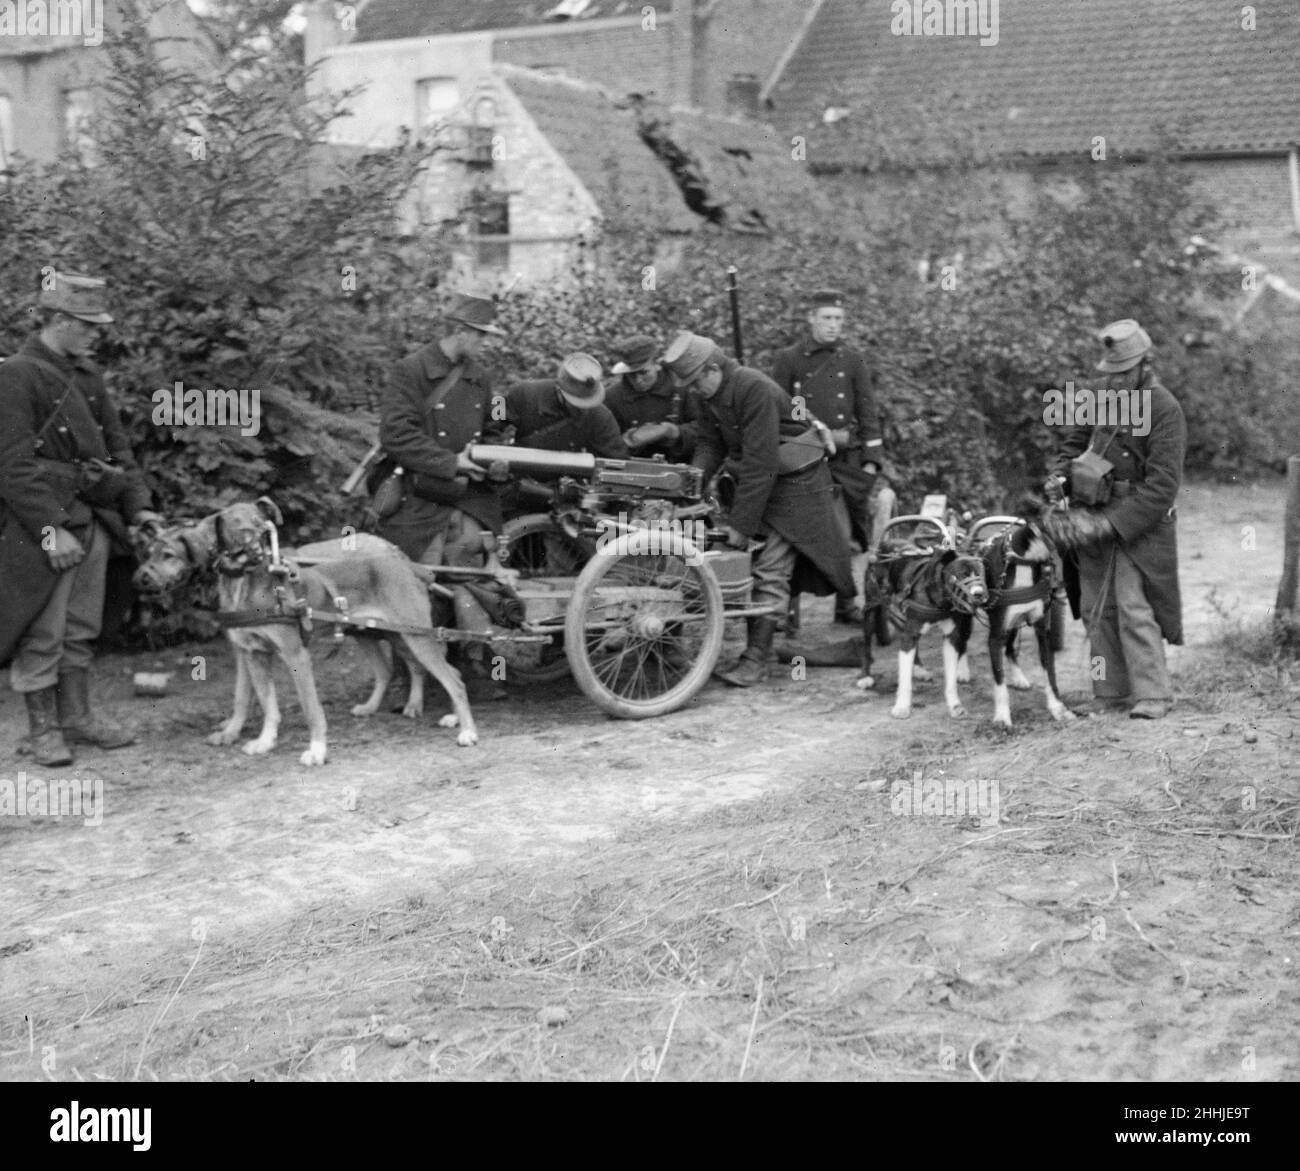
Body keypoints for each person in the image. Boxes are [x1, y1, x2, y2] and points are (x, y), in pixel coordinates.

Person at [0, 272, 163, 765]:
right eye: (87, 324)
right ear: (58, 320)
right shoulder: (16, 374)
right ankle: (44, 730)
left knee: (79, 628)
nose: (96, 334)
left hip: (91, 519)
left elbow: (120, 451)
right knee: (43, 631)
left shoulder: (88, 377)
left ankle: (77, 719)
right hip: (42, 526)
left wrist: (141, 509)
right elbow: (12, 466)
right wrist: (50, 532)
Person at [664, 331, 855, 687]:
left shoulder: (753, 388)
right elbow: (709, 442)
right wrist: (692, 483)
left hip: (796, 487)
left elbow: (761, 461)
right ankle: (761, 650)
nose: (692, 390)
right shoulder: (711, 396)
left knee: (770, 568)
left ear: (712, 369)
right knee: (750, 564)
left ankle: (757, 659)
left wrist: (742, 525)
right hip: (761, 482)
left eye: (694, 381)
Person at [1045, 319, 1185, 719]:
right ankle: (1108, 693)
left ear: (1146, 365)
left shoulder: (1164, 408)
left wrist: (1110, 525)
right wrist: (1058, 478)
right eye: (1111, 373)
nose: (1116, 381)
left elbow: (1162, 486)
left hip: (1136, 520)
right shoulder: (1096, 395)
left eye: (1124, 373)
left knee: (1133, 606)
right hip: (1091, 510)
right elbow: (1071, 445)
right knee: (1094, 606)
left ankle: (1153, 695)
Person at [374, 293, 511, 701]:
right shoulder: (410, 371)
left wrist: (494, 455)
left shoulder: (481, 377)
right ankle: (408, 674)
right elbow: (396, 436)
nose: (485, 344)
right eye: (481, 336)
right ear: (460, 332)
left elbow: (495, 426)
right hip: (421, 495)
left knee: (471, 577)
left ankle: (475, 665)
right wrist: (451, 462)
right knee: (416, 584)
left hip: (468, 496)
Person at [771, 289, 884, 623]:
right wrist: (814, 431)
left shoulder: (852, 360)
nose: (833, 326)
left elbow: (867, 411)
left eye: (838, 319)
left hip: (845, 461)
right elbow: (785, 410)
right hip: (805, 457)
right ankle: (788, 610)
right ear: (811, 319)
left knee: (847, 533)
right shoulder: (789, 359)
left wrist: (870, 459)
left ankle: (846, 604)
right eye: (827, 318)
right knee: (797, 530)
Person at [502, 353, 628, 463]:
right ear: (559, 389)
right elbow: (491, 419)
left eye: (587, 403)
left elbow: (617, 460)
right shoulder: (523, 393)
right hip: (519, 476)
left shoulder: (602, 417)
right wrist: (496, 456)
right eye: (575, 402)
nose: (582, 408)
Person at [604, 335, 697, 463]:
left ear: (657, 364)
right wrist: (628, 441)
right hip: (631, 470)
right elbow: (604, 443)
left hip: (680, 465)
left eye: (643, 372)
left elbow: (706, 433)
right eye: (631, 375)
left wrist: (672, 432)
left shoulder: (682, 387)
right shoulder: (611, 397)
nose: (638, 380)